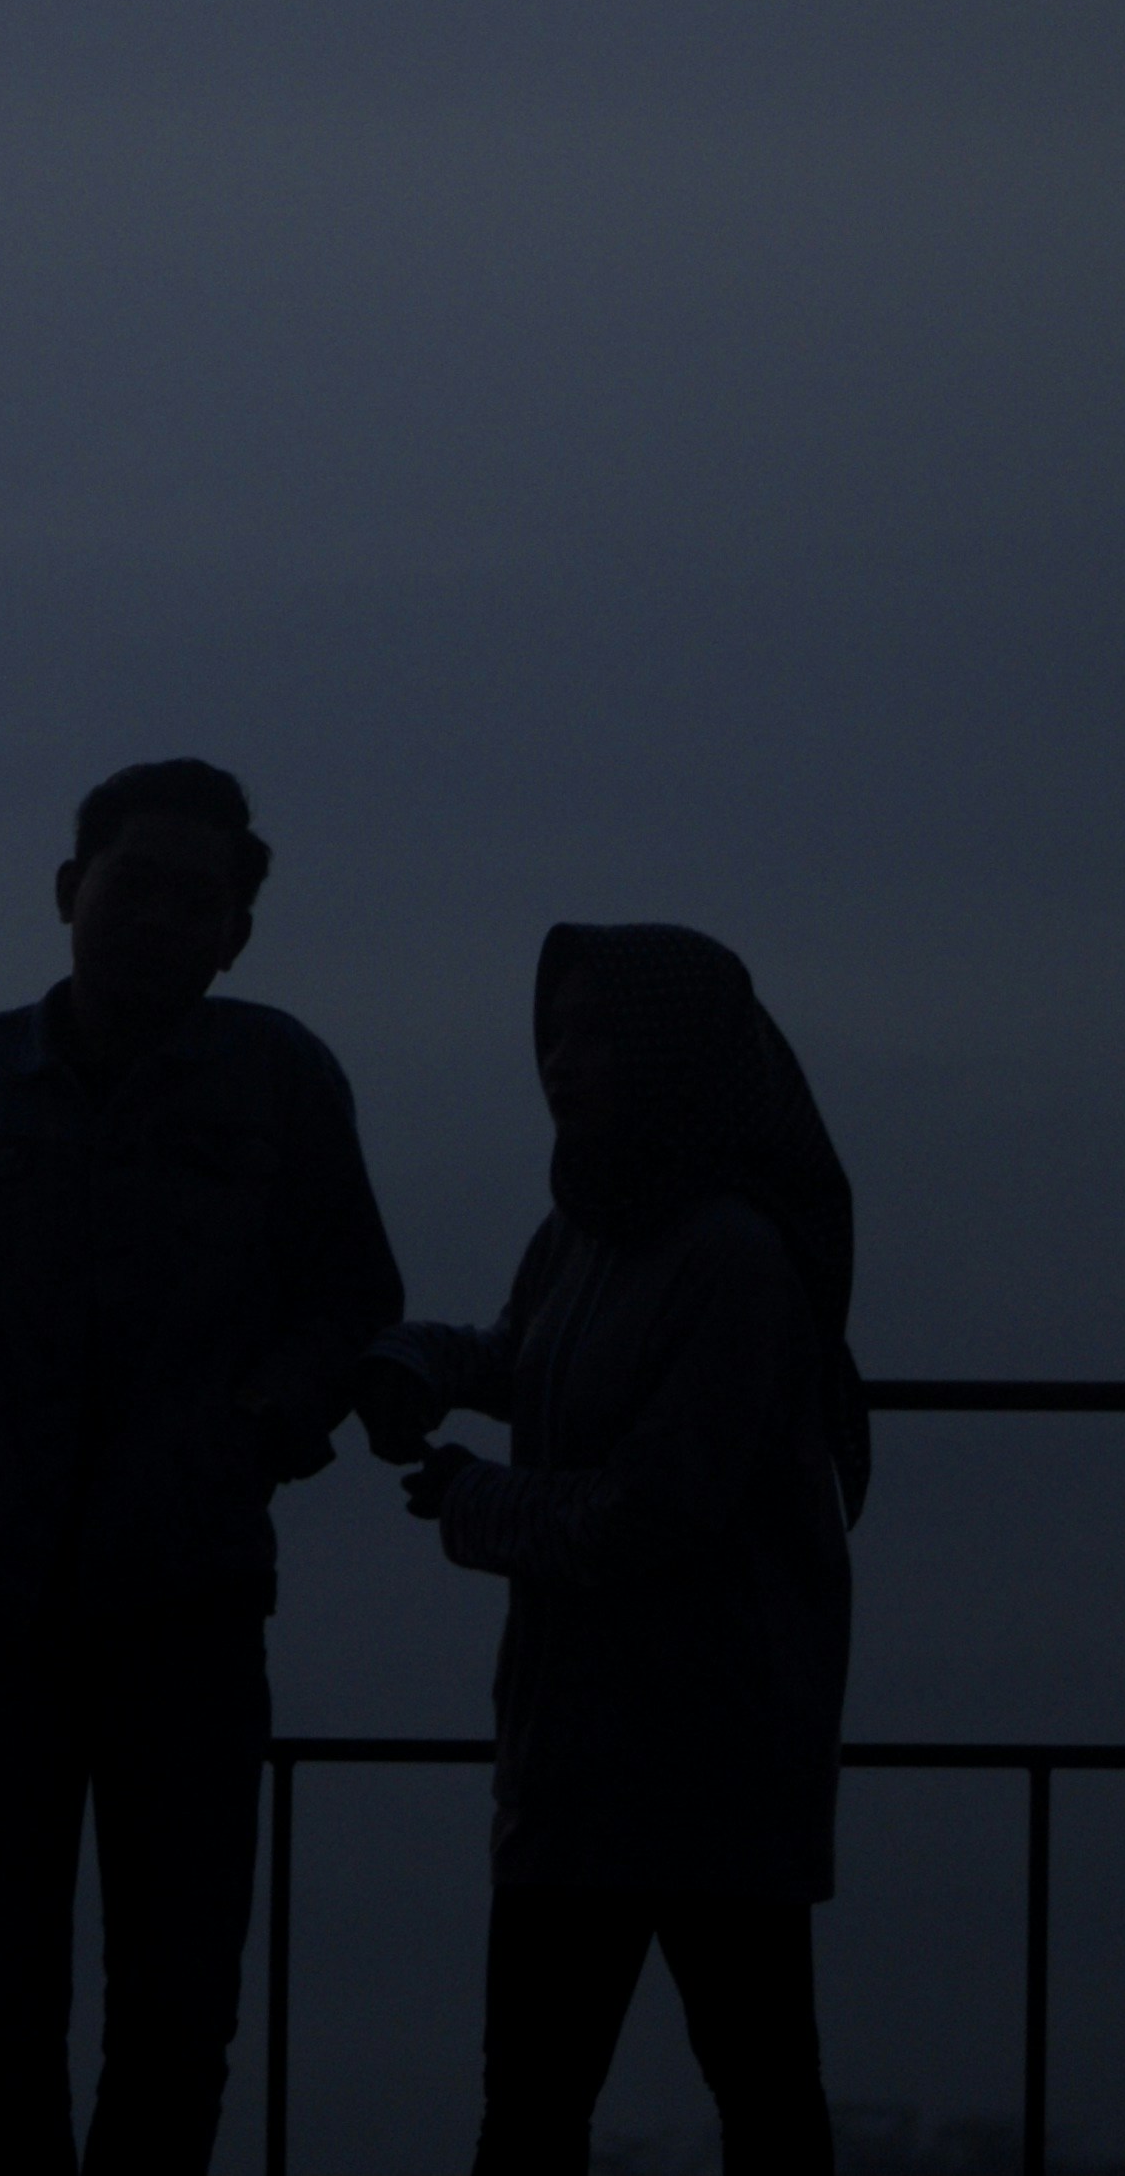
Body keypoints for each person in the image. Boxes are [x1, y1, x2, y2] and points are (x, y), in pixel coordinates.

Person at [0, 756, 402, 2176]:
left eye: (192, 896)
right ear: (65, 891)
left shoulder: (281, 1075)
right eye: (132, 881)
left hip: (186, 1590)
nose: (156, 915)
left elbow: (348, 1294)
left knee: (176, 2000)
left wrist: (269, 1415)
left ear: (235, 931)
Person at [354, 921, 870, 2176]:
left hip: (707, 1751)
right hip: (582, 1752)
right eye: (553, 1030)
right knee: (544, 2104)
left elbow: (655, 1511)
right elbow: (517, 1350)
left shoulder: (735, 1260)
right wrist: (416, 1360)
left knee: (742, 2096)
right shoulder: (589, 1224)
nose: (558, 1060)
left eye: (595, 1035)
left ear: (671, 1054)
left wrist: (473, 1501)